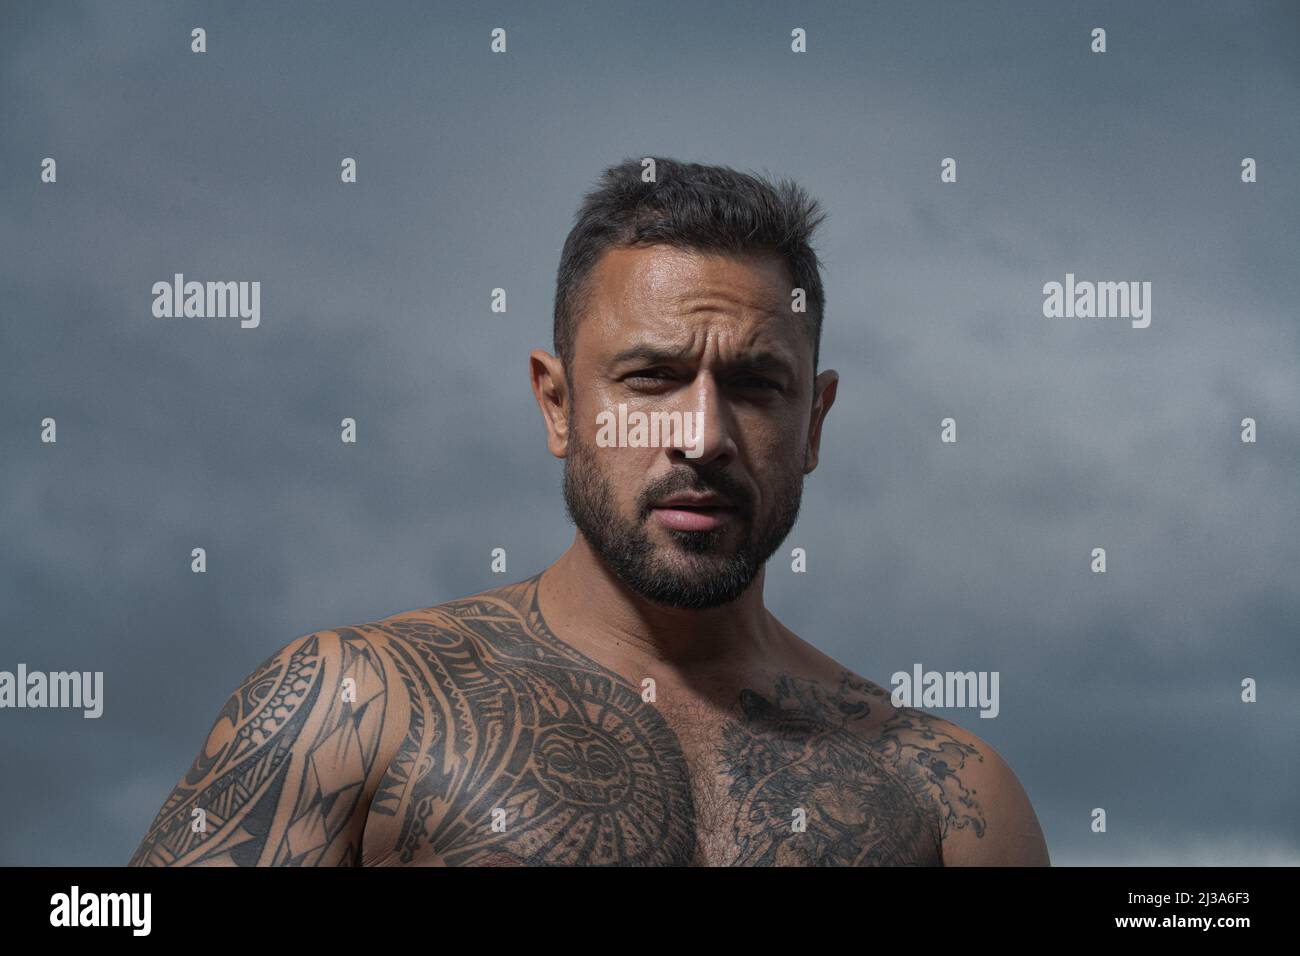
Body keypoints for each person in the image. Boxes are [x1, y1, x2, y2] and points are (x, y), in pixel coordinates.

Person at [129, 157, 1049, 866]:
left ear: (814, 420)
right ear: (559, 404)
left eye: (757, 386)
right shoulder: (356, 707)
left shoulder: (947, 794)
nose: (703, 435)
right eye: (651, 378)